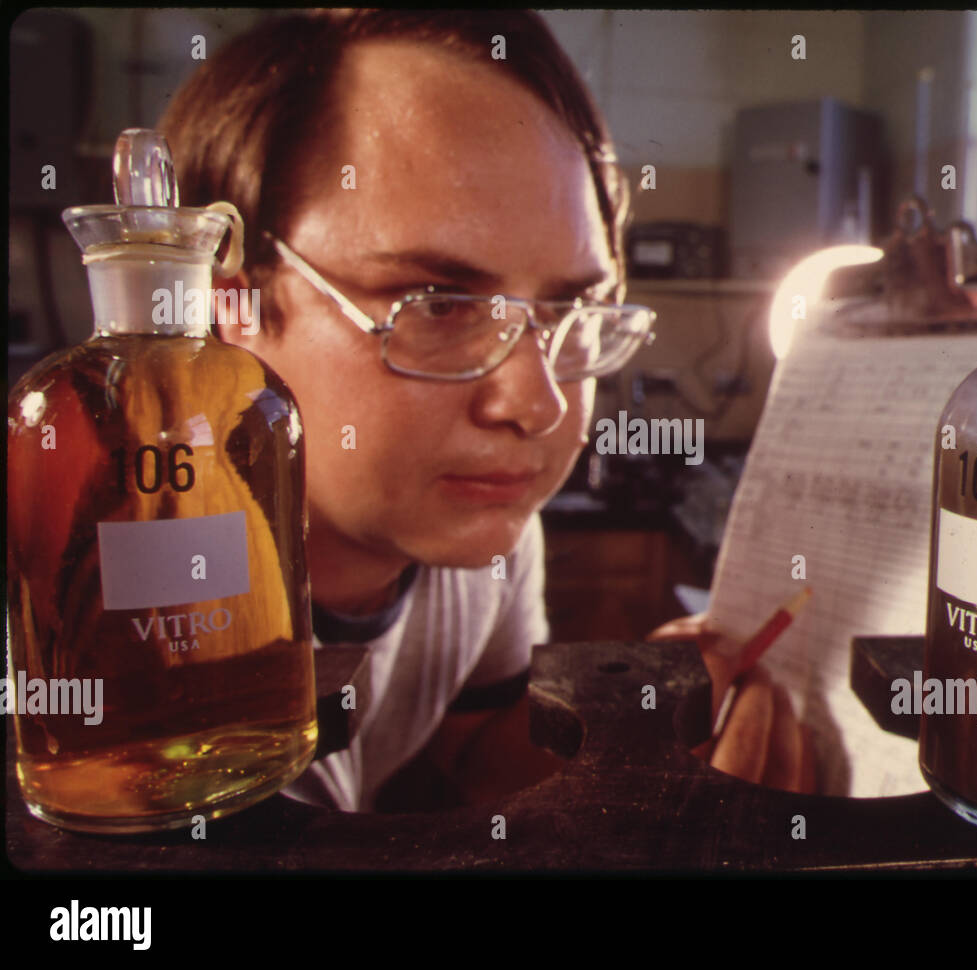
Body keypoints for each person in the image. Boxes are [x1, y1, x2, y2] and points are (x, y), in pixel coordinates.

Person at [160, 9, 810, 811]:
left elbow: (471, 749)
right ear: (230, 305)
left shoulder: (474, 520)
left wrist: (626, 733)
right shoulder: (139, 610)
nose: (533, 405)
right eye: (437, 306)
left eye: (570, 314)